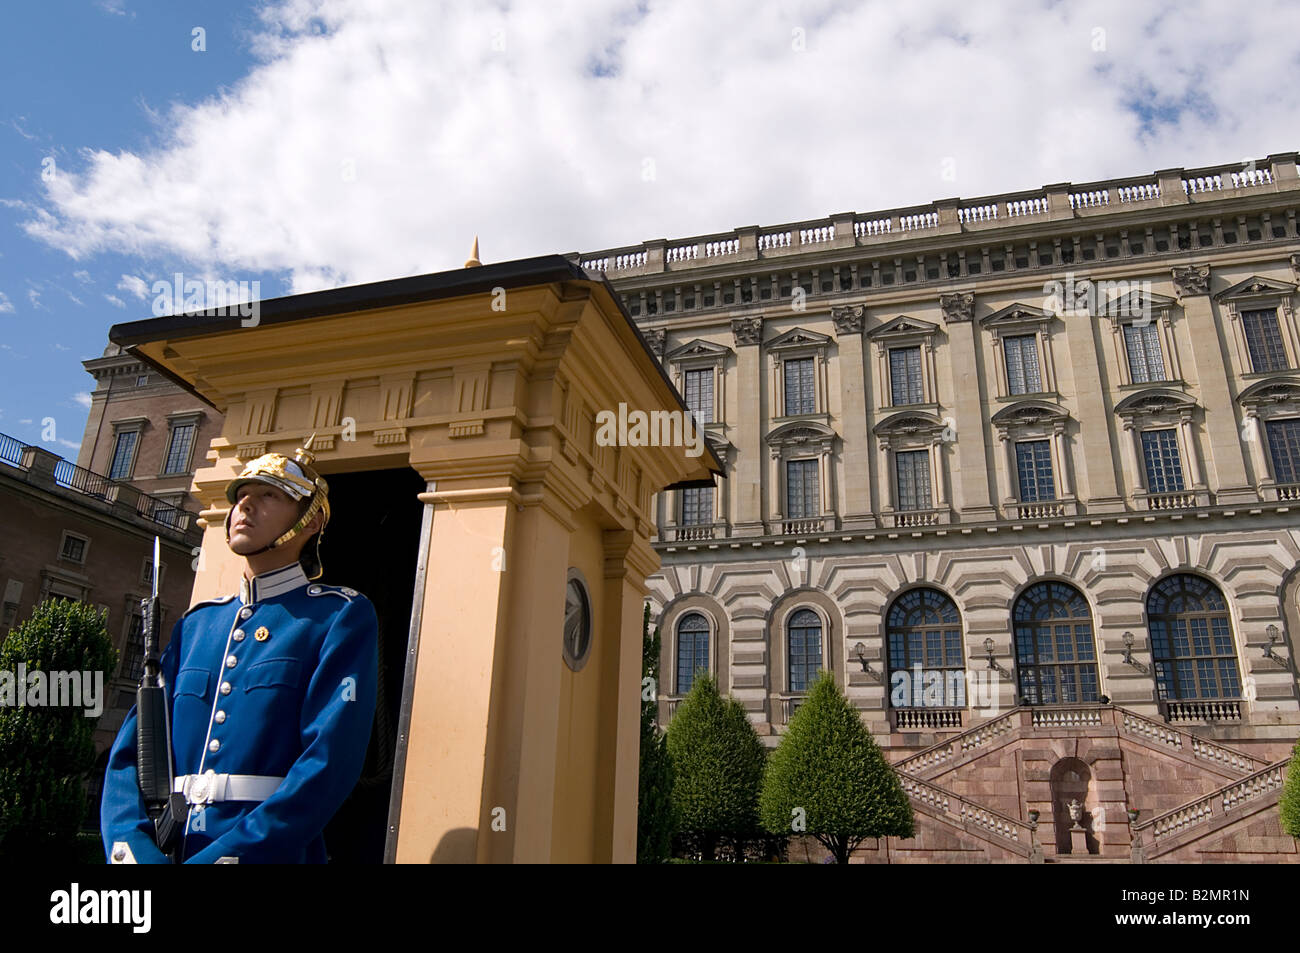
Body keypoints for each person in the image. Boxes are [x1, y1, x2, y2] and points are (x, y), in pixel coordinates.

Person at [101, 435, 378, 863]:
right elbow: (129, 754)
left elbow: (328, 763)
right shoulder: (197, 625)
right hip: (166, 848)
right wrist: (132, 849)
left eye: (269, 495)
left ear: (311, 521)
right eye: (241, 495)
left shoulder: (338, 617)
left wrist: (230, 856)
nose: (245, 506)